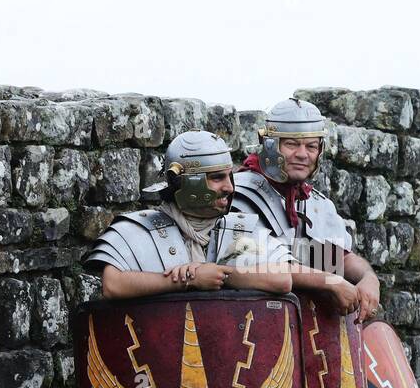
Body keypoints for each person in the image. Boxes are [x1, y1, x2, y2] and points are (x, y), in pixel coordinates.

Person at [89, 130, 296, 298]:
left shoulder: (243, 227)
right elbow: (113, 285)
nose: (229, 188)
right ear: (188, 183)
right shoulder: (137, 230)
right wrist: (188, 280)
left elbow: (282, 279)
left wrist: (217, 274)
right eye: (217, 178)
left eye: (228, 176)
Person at [231, 98, 381, 321]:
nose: (303, 154)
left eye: (311, 146)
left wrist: (369, 279)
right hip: (250, 326)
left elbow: (339, 259)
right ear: (270, 144)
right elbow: (253, 265)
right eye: (291, 144)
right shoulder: (237, 195)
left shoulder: (313, 203)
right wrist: (330, 282)